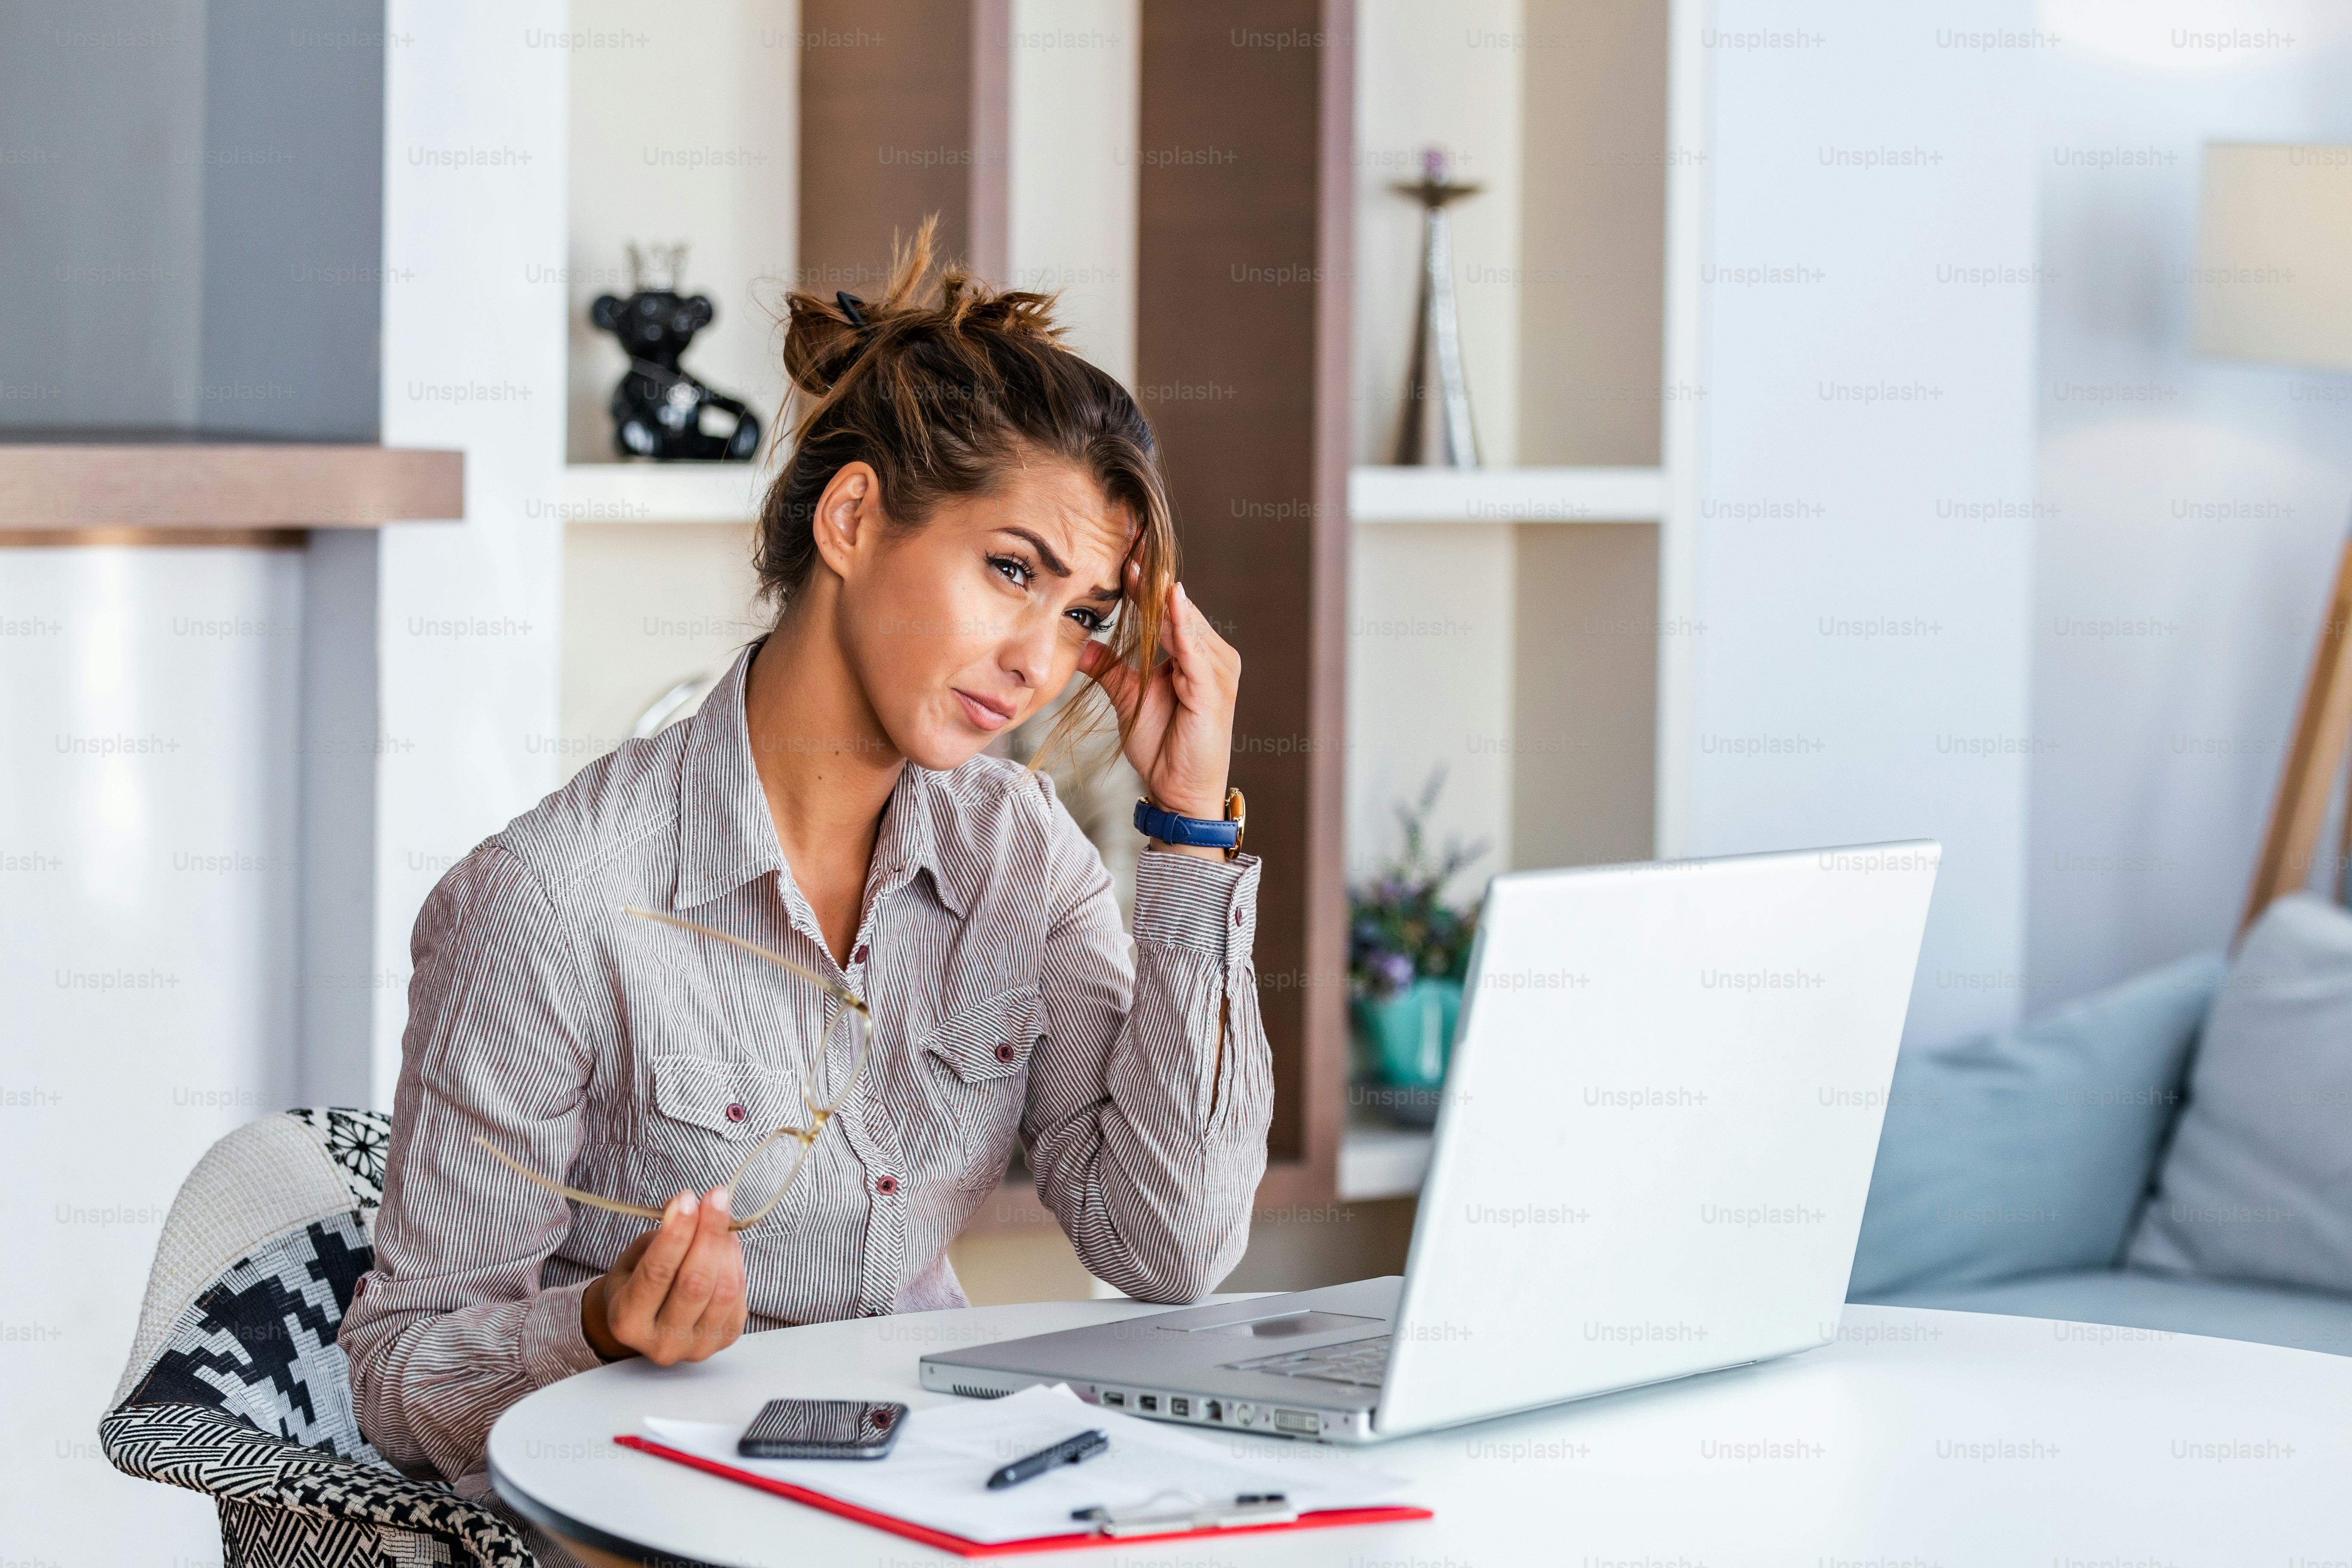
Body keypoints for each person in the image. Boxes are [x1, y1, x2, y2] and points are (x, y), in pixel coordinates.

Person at [339, 225, 1270, 1509]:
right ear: (851, 519)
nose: (1038, 662)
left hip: (928, 1501)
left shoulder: (1022, 857)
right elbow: (396, 1378)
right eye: (1010, 570)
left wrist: (1189, 834)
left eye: (1083, 616)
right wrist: (600, 1327)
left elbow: (1167, 1249)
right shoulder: (552, 901)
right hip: (646, 1524)